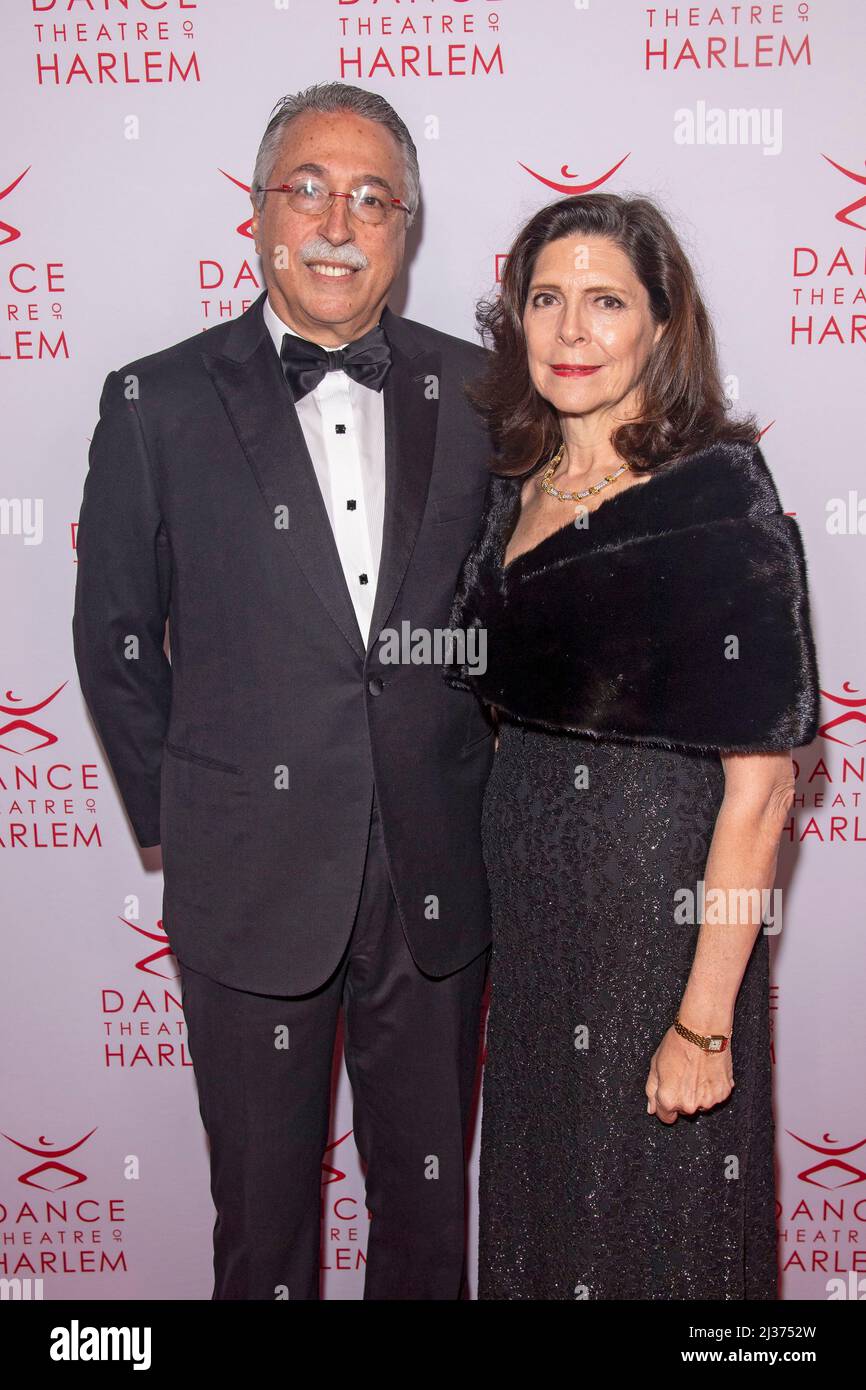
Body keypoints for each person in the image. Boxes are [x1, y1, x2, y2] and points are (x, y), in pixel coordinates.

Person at [72, 81, 496, 1300]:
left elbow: (510, 628)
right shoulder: (155, 400)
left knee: (426, 1230)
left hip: (433, 878)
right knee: (261, 1231)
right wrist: (187, 818)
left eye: (373, 199)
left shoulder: (479, 396)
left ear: (404, 232)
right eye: (307, 187)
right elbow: (116, 637)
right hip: (246, 878)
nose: (337, 221)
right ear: (257, 212)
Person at [444, 192, 820, 1300]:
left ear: (661, 325)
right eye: (545, 300)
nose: (569, 332)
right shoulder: (508, 492)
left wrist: (701, 1024)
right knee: (541, 1216)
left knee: (647, 1228)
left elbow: (757, 793)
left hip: (657, 929)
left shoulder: (715, 495)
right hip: (534, 930)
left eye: (605, 301)